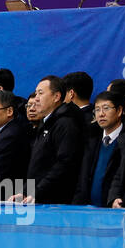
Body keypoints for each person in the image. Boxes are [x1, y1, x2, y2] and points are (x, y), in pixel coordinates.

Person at [24, 75, 86, 204]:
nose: (36, 98)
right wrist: (25, 193)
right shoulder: (47, 122)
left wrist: (37, 192)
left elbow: (64, 164)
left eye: (40, 93)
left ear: (56, 97)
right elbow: (38, 166)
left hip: (54, 203)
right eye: (36, 94)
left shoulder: (66, 123)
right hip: (37, 198)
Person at [74, 90, 124, 207]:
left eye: (106, 108)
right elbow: (82, 180)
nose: (101, 114)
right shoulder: (92, 141)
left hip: (114, 211)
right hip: (90, 211)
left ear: (119, 111)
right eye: (97, 109)